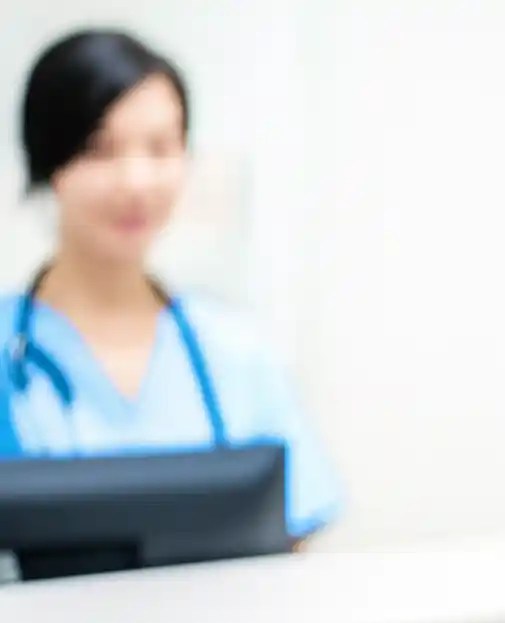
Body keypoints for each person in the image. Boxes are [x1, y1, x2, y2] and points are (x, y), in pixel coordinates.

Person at [0, 29, 341, 542]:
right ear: (50, 161)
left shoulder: (232, 349)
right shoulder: (10, 351)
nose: (136, 182)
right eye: (100, 150)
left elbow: (298, 535)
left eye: (161, 148)